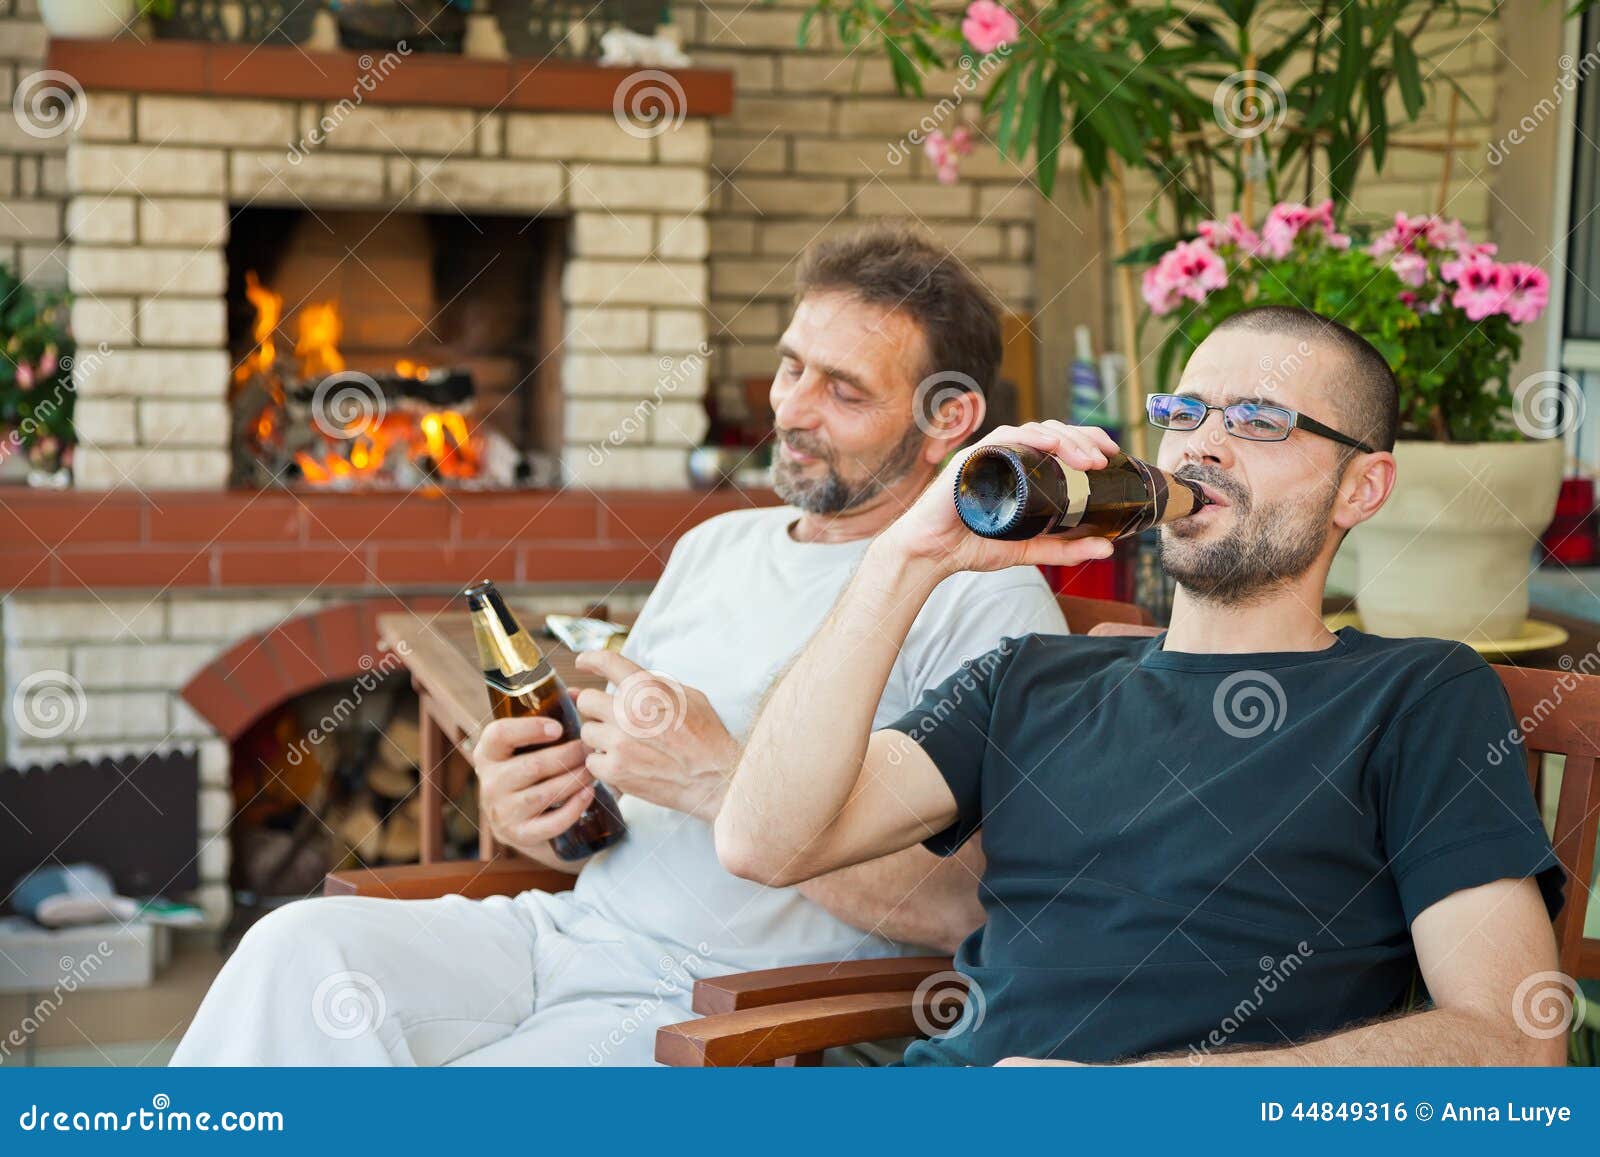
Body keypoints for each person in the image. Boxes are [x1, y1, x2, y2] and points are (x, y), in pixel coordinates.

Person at [171, 226, 1066, 1066]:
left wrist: (725, 785)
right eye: (790, 366)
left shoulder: (981, 596)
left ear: (950, 418)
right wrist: (547, 813)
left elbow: (980, 909)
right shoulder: (718, 546)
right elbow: (618, 823)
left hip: (713, 1005)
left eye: (844, 389)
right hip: (557, 935)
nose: (790, 409)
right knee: (294, 948)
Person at [717, 305, 1569, 1067]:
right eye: (1184, 411)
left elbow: (1515, 1042)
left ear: (1362, 485)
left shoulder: (1415, 694)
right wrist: (908, 555)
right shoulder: (1029, 675)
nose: (1202, 443)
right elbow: (763, 841)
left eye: (1260, 420)